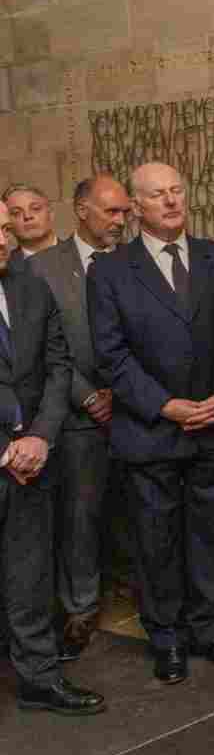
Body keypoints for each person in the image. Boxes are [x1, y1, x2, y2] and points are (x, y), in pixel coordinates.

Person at [88, 161, 214, 685]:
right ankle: (167, 638)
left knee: (212, 533)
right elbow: (111, 357)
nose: (172, 200)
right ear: (136, 207)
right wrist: (165, 406)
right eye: (158, 194)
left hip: (213, 426)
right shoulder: (111, 270)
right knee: (155, 540)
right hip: (151, 430)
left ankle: (206, 629)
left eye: (177, 190)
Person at [0, 197, 104, 715]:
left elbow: (58, 364)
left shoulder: (28, 283)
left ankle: (39, 679)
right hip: (7, 452)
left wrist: (40, 436)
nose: (4, 239)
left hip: (32, 456)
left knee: (30, 576)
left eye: (4, 228)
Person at [29, 175, 131, 661]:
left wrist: (125, 392)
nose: (120, 221)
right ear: (82, 210)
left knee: (139, 516)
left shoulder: (134, 261)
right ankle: (80, 610)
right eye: (111, 211)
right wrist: (88, 396)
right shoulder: (42, 268)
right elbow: (41, 347)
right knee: (80, 518)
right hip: (76, 417)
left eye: (125, 211)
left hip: (136, 408)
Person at [3, 183, 59, 259]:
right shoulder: (4, 264)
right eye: (16, 213)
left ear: (51, 213)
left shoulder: (75, 251)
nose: (27, 216)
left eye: (35, 208)